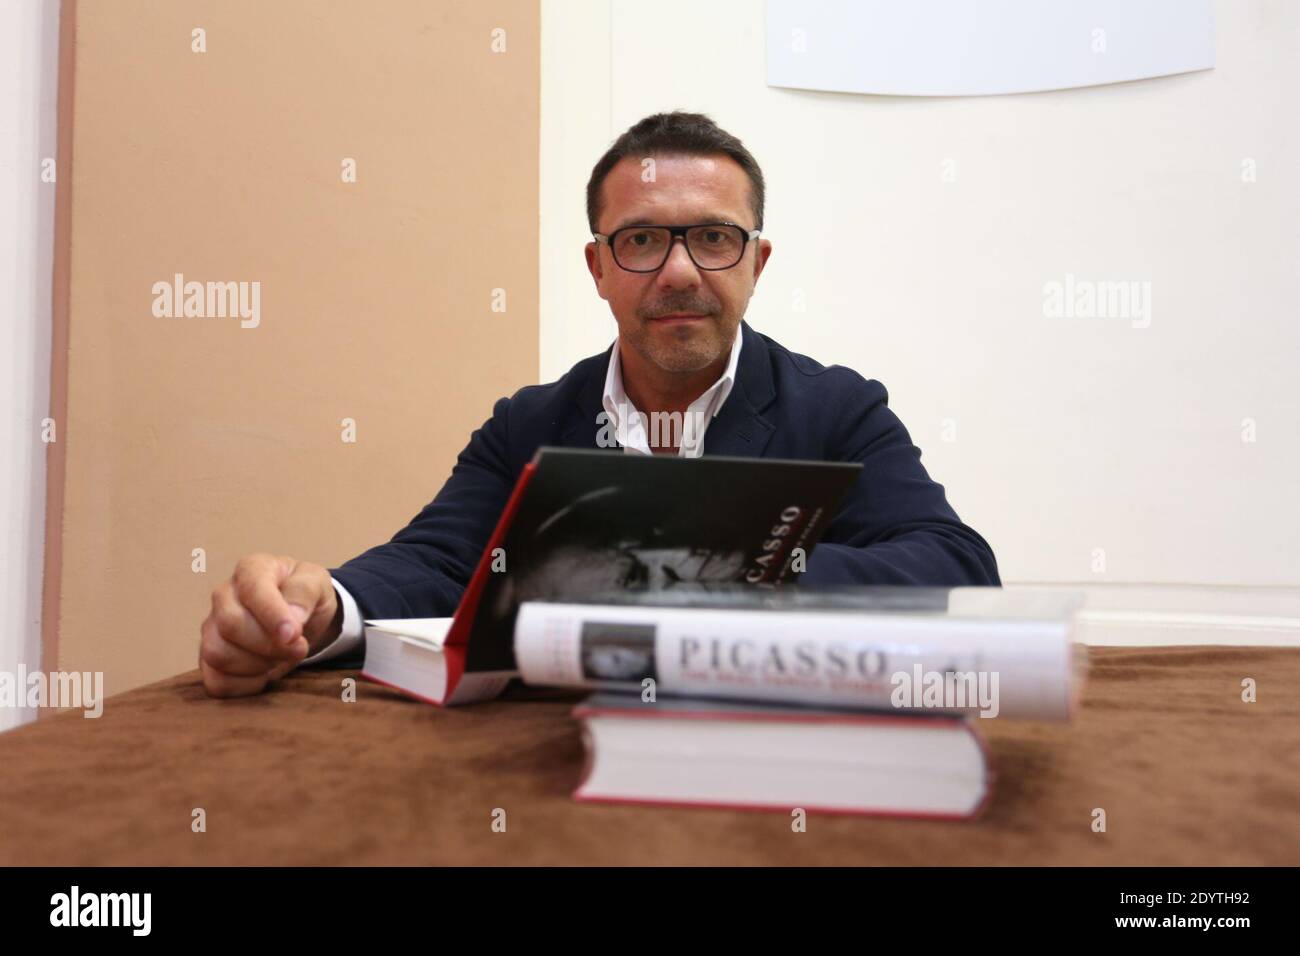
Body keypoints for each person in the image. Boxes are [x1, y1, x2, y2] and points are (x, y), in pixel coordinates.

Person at [198, 111, 1001, 698]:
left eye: (715, 239)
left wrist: (708, 574)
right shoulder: (528, 422)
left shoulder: (837, 410)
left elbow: (957, 568)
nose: (682, 272)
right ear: (598, 266)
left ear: (756, 262)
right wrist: (317, 606)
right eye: (644, 240)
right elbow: (440, 564)